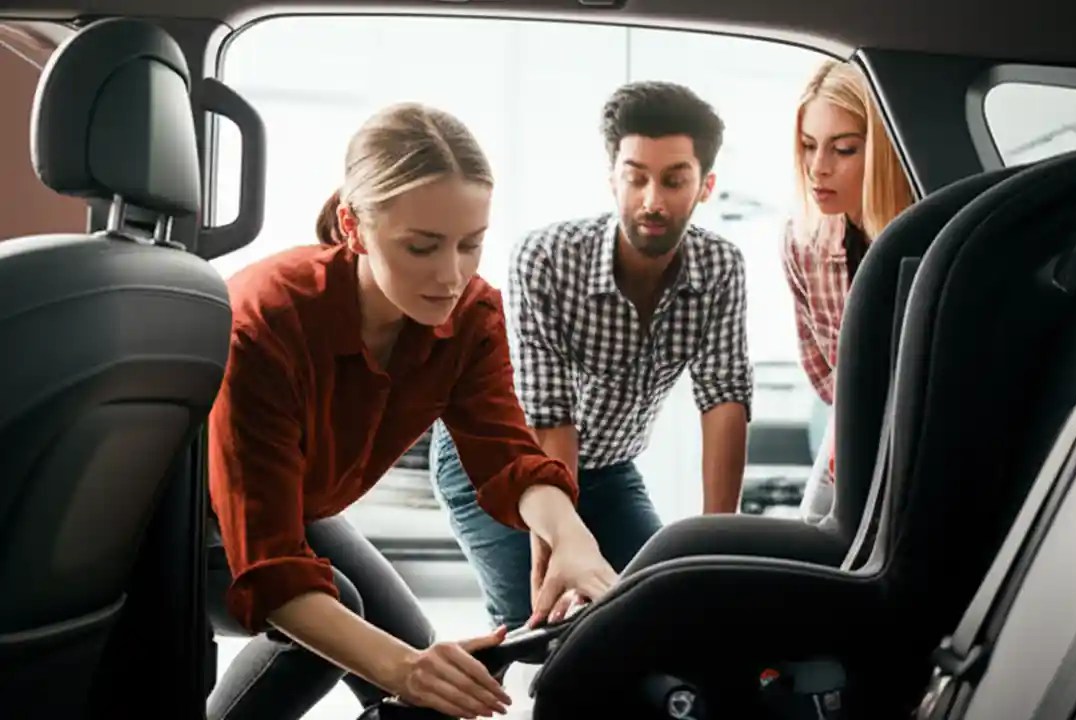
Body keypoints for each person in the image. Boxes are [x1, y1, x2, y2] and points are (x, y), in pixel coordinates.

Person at [204, 102, 618, 720]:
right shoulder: (266, 319)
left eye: (470, 245)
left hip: (299, 507)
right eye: (422, 248)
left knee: (432, 689)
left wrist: (573, 540)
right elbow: (271, 569)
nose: (452, 276)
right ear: (352, 225)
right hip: (194, 522)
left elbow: (507, 458)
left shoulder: (472, 316)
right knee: (340, 619)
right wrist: (405, 669)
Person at [431, 80, 754, 630]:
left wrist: (713, 549)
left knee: (664, 605)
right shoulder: (547, 258)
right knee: (542, 625)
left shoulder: (721, 267)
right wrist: (554, 537)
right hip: (499, 461)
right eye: (636, 178)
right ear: (613, 179)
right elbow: (548, 415)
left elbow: (723, 399)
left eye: (674, 180)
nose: (652, 200)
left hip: (610, 469)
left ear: (705, 186)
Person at [783, 60, 915, 523]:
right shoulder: (802, 243)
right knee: (812, 536)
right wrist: (849, 424)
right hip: (851, 418)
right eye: (807, 147)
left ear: (882, 150)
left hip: (924, 426)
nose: (818, 168)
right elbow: (823, 371)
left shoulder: (929, 238)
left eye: (843, 149)